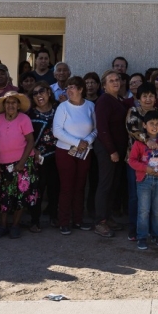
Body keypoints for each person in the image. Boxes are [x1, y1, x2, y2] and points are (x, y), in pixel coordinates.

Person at [125, 83, 158, 240]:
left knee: (157, 199)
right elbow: (132, 129)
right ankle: (135, 230)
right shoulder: (133, 111)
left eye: (151, 96)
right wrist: (147, 140)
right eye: (144, 96)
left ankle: (156, 231)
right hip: (137, 160)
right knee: (135, 196)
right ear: (139, 98)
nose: (148, 99)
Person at [0, 91, 37, 239]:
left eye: (14, 102)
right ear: (4, 105)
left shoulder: (24, 119)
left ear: (18, 105)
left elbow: (30, 141)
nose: (11, 105)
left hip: (21, 163)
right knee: (3, 195)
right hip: (0, 164)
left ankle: (15, 225)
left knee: (20, 195)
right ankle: (3, 225)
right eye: (8, 102)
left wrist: (22, 163)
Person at [53, 76, 96, 234]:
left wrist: (87, 141)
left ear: (80, 89)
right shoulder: (62, 107)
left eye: (72, 87)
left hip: (85, 152)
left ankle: (78, 220)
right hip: (65, 151)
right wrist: (77, 142)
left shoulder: (90, 106)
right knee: (67, 187)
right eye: (67, 88)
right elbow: (57, 131)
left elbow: (96, 129)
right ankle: (64, 221)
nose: (69, 91)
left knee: (80, 186)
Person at [129, 110, 158, 250]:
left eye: (157, 123)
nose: (154, 126)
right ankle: (142, 236)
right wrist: (145, 168)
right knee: (143, 210)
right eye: (151, 123)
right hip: (144, 180)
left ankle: (157, 234)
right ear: (144, 125)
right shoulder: (139, 143)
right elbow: (132, 160)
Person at [92, 71, 128, 238]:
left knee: (114, 185)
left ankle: (108, 217)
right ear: (104, 85)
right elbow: (102, 128)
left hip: (118, 150)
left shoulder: (118, 100)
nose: (115, 82)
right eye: (111, 80)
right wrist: (111, 151)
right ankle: (100, 222)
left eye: (117, 79)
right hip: (107, 149)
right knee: (105, 185)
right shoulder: (104, 101)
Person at [28, 82, 60, 232]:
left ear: (49, 92)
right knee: (37, 188)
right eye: (35, 93)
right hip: (37, 157)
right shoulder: (30, 114)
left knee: (55, 187)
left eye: (42, 91)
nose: (39, 95)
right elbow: (24, 136)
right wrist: (33, 150)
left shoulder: (59, 109)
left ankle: (54, 216)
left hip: (57, 155)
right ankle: (35, 220)